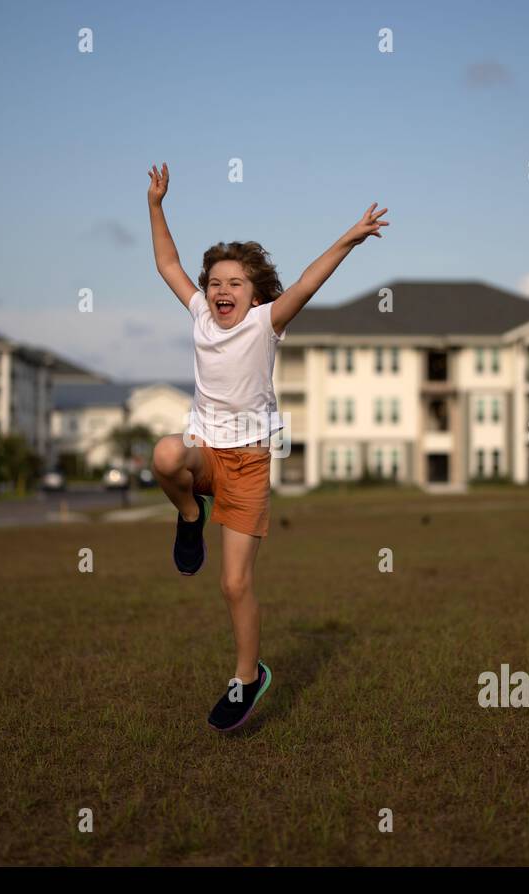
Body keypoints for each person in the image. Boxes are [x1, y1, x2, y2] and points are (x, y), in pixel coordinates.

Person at [146, 161, 388, 731]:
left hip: (250, 463)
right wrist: (157, 204)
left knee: (234, 583)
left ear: (255, 295)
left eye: (235, 283)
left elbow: (307, 281)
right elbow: (166, 262)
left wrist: (349, 239)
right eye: (215, 282)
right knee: (162, 454)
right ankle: (188, 512)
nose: (221, 291)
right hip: (203, 448)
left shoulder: (265, 324)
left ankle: (247, 677)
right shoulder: (200, 315)